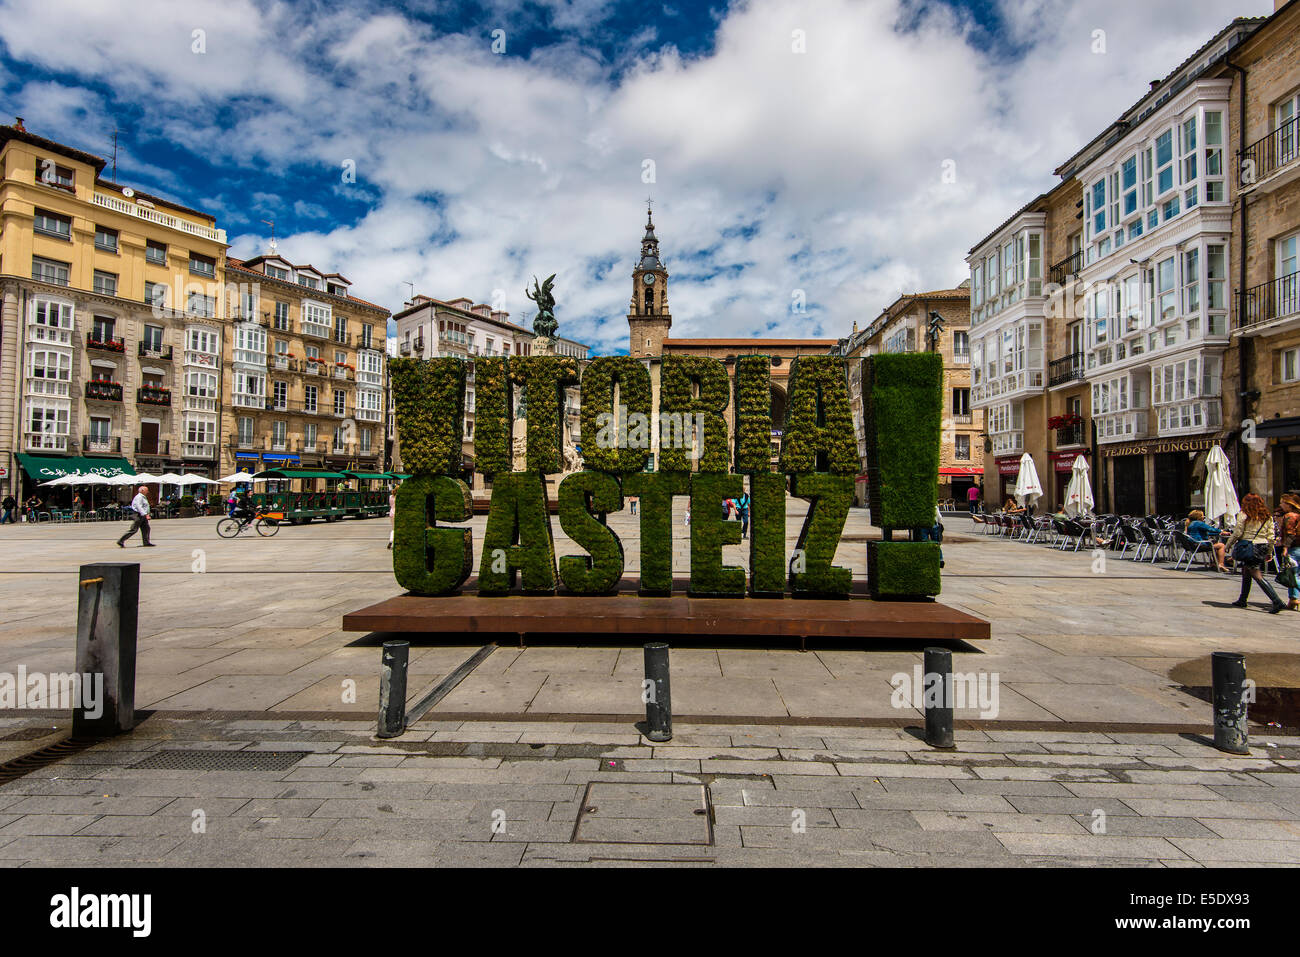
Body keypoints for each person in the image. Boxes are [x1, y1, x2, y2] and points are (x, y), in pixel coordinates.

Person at [1224, 493, 1284, 613]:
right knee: (1246, 571)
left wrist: (1228, 544)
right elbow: (1271, 537)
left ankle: (1277, 601)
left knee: (1256, 573)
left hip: (1249, 545)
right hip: (1262, 545)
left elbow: (1238, 532)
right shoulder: (1267, 516)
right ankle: (1242, 599)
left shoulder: (1244, 515)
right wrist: (1270, 551)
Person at [1277, 493, 1300, 611]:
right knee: (1293, 574)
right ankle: (1293, 599)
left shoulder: (1289, 516)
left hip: (1294, 548)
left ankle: (1294, 598)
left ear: (1288, 504)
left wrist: (1285, 548)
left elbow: (1291, 535)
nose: (1280, 505)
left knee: (1293, 574)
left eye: (1282, 502)